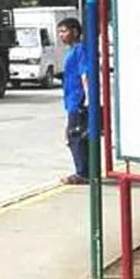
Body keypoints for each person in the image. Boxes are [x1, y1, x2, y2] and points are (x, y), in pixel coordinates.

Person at [57, 16, 92, 185]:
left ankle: (83, 173)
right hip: (71, 100)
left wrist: (88, 99)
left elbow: (85, 74)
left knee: (75, 137)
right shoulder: (71, 51)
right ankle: (87, 171)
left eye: (64, 31)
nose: (61, 35)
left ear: (75, 32)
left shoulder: (80, 50)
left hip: (79, 100)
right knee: (75, 136)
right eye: (59, 32)